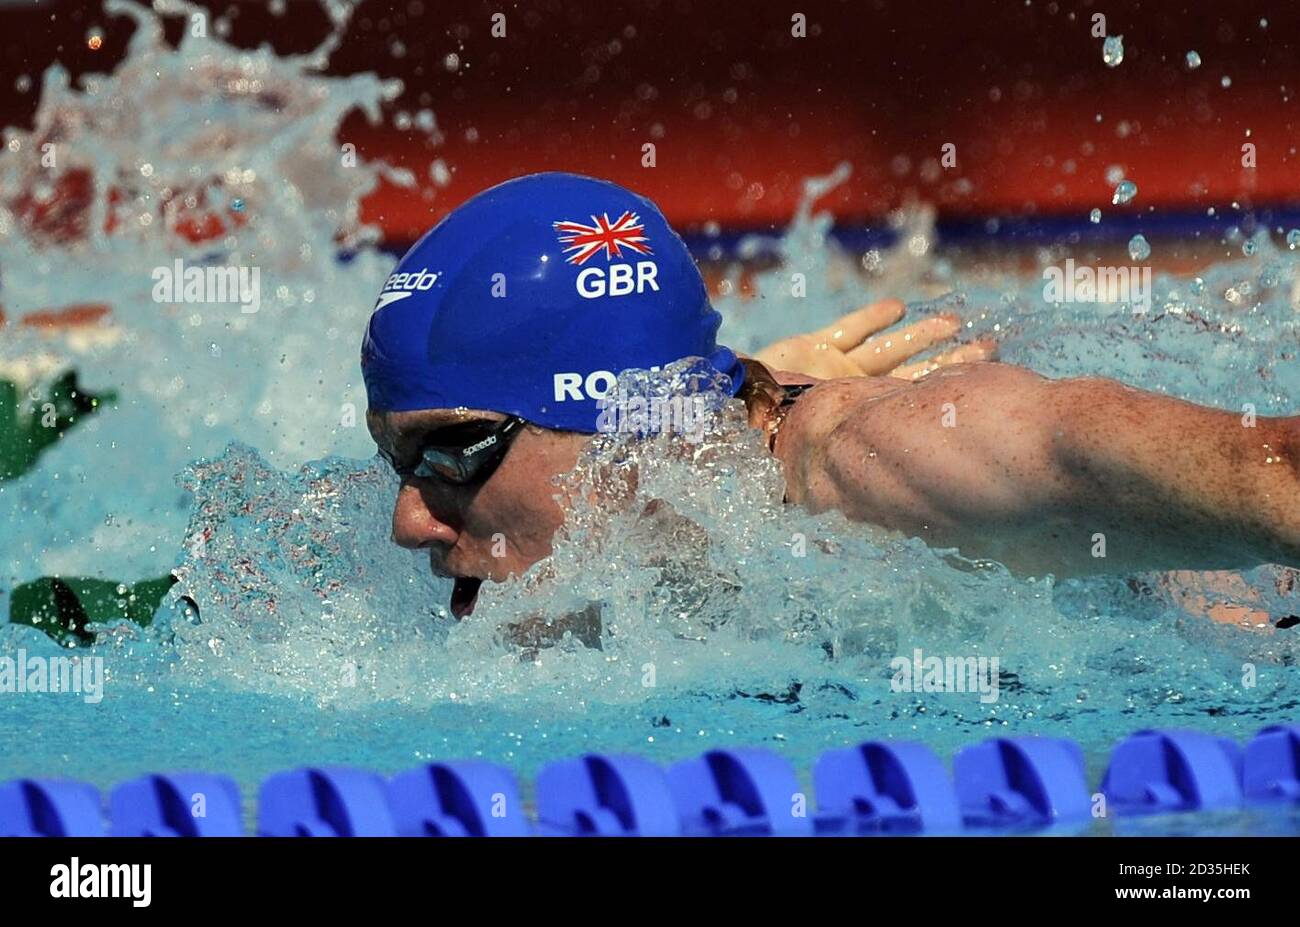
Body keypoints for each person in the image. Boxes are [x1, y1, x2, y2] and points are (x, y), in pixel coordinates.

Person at [361, 172, 1300, 620]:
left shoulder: (882, 464)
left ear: (627, 423)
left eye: (451, 454)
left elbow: (1270, 472)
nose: (409, 520)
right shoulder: (667, 464)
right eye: (397, 460)